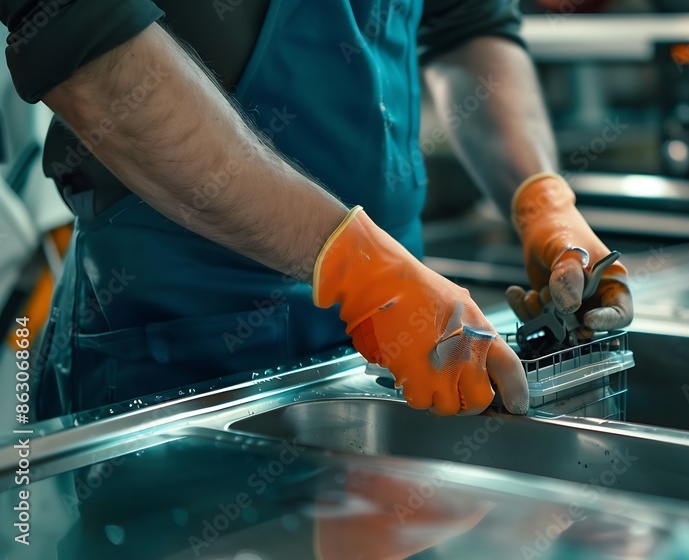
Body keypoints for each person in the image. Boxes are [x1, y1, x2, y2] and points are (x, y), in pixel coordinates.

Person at [0, 0, 633, 420]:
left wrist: (540, 200)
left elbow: (467, 24)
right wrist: (358, 269)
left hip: (408, 337)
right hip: (176, 343)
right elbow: (86, 47)